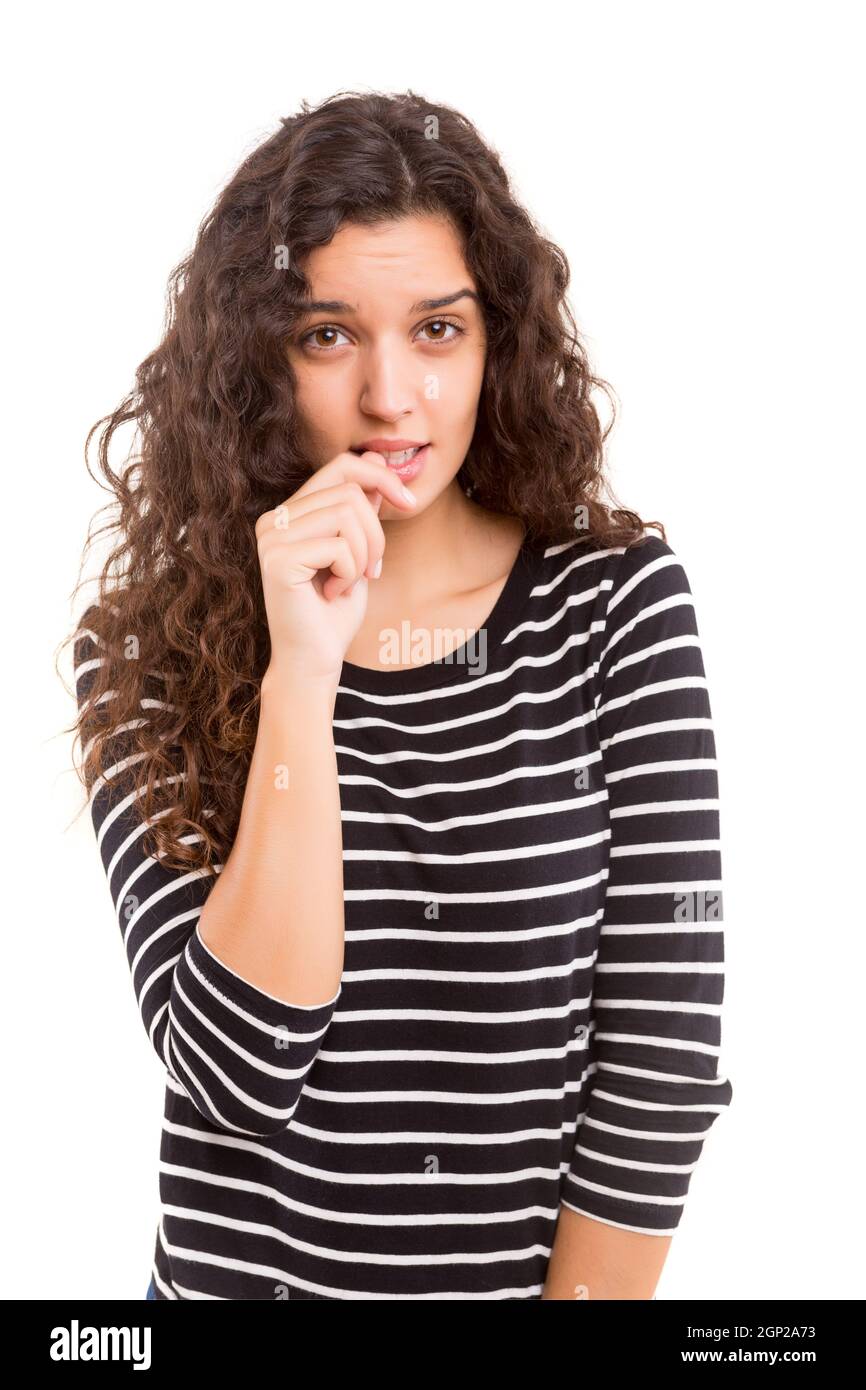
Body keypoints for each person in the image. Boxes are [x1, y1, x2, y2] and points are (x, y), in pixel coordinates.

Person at [64, 90, 733, 1301]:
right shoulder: (148, 650)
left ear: (497, 342)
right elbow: (237, 1070)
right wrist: (300, 673)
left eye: (435, 330)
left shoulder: (614, 610)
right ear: (257, 360)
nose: (389, 396)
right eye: (327, 335)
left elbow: (662, 1059)